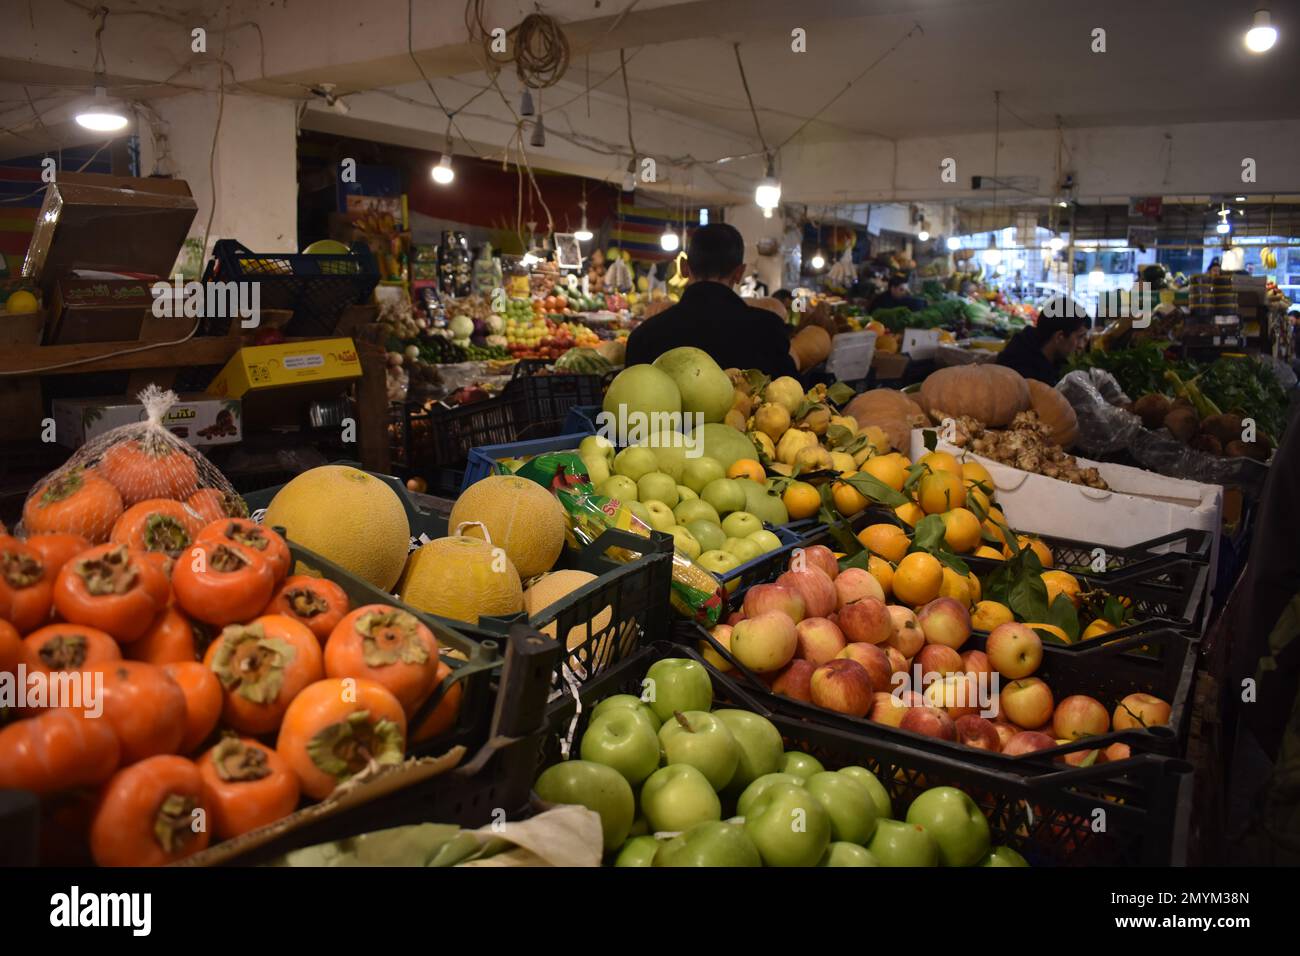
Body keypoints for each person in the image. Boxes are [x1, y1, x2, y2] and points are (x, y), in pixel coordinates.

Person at [625, 223, 798, 377]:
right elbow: (791, 396)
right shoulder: (770, 331)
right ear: (739, 273)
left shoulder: (644, 336)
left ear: (684, 268)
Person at [994, 296, 1089, 384]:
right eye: (1079, 337)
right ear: (1059, 337)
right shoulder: (1023, 371)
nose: (1081, 345)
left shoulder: (1054, 360)